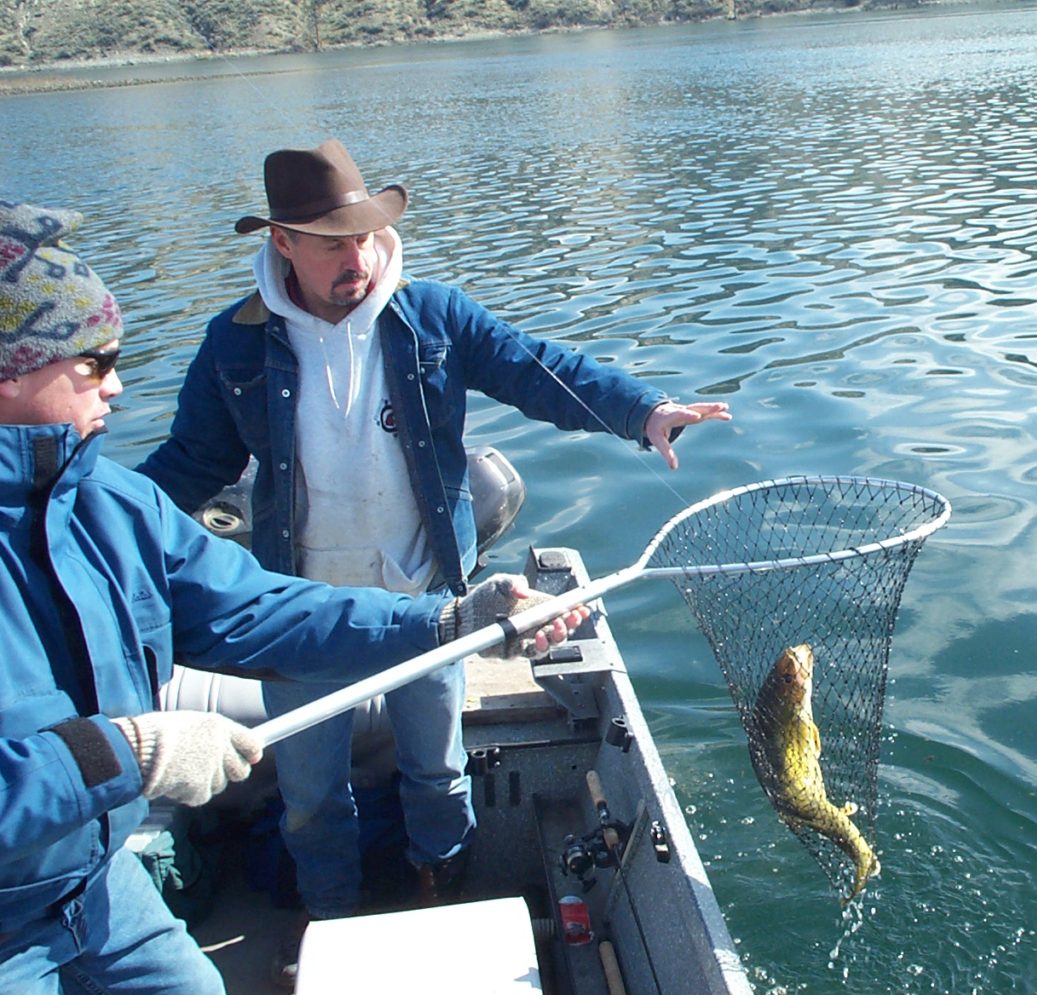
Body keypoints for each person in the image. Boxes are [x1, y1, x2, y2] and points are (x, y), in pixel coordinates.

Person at [136, 138, 731, 986]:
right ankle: (329, 915)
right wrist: (88, 516)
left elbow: (540, 371)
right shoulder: (235, 346)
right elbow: (190, 465)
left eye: (365, 235)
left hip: (427, 605)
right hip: (298, 617)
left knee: (439, 772)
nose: (356, 256)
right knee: (309, 795)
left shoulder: (432, 318)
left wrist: (645, 411)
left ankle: (437, 888)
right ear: (282, 242)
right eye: (332, 242)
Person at [0, 201, 581, 994]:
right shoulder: (229, 349)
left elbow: (262, 610)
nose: (119, 385)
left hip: (97, 886)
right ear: (12, 373)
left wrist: (450, 620)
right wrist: (121, 755)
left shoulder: (109, 506)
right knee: (312, 799)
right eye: (95, 364)